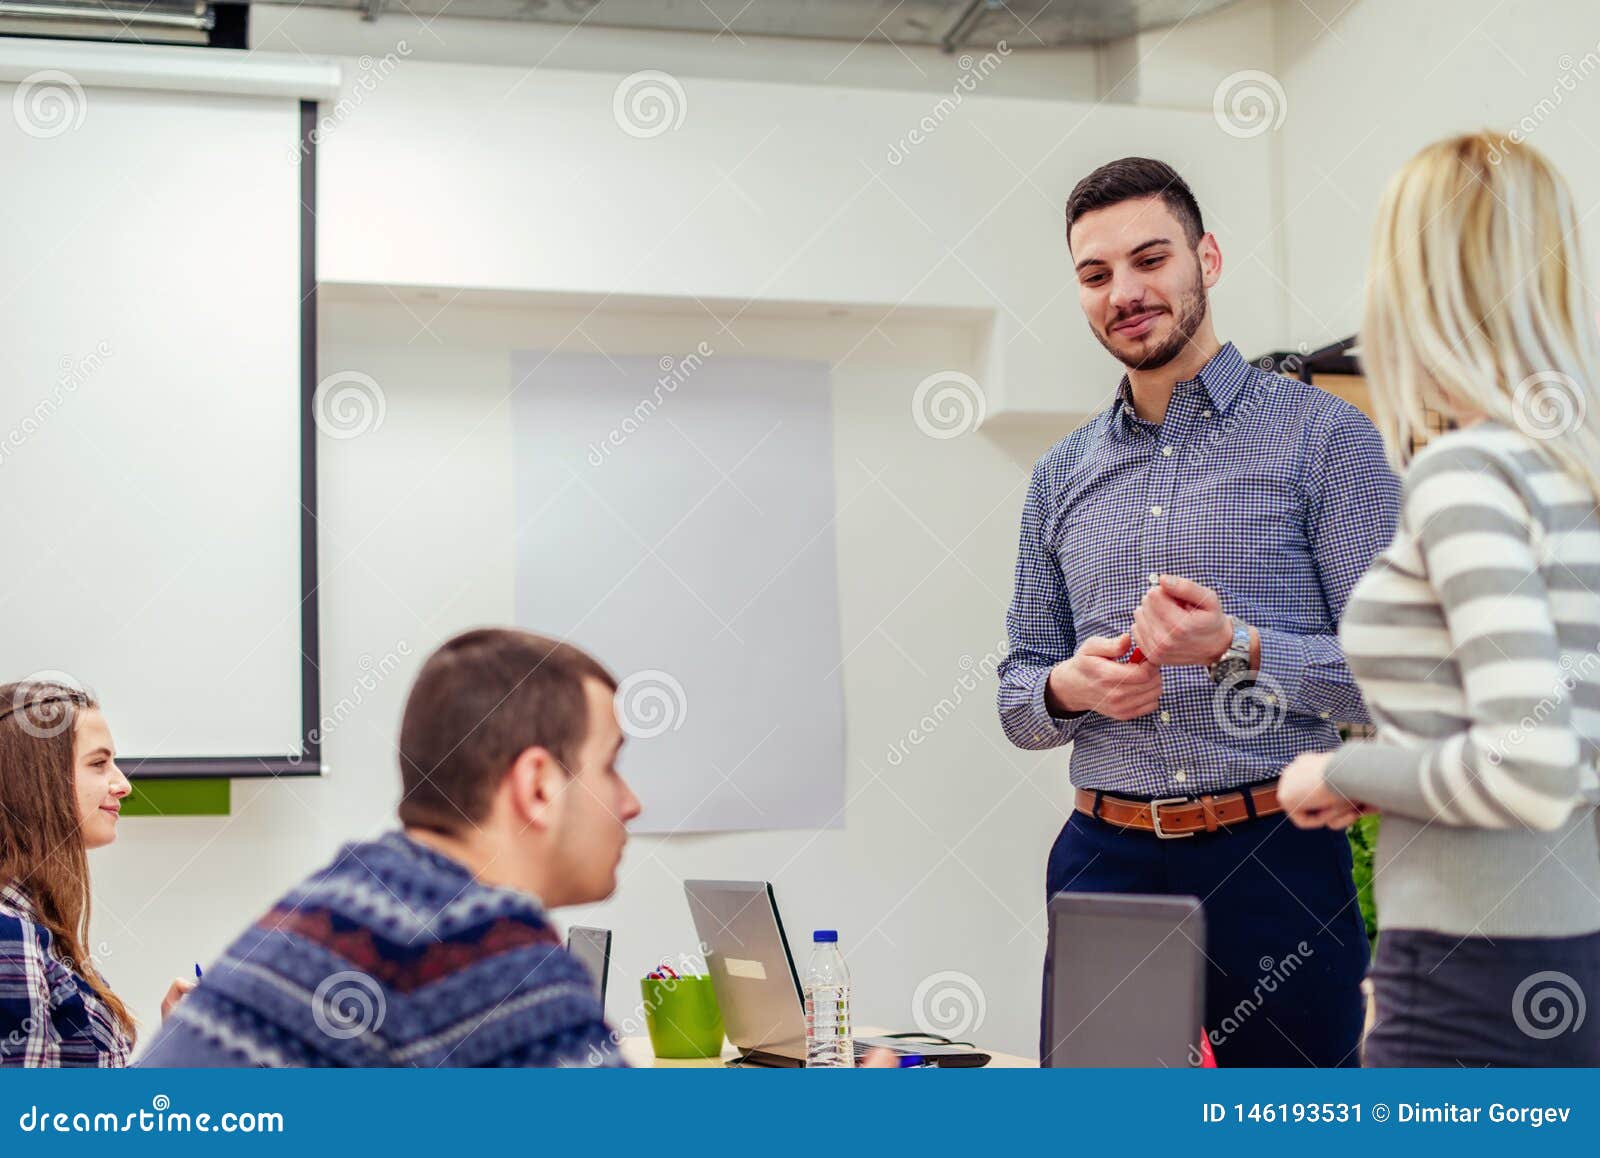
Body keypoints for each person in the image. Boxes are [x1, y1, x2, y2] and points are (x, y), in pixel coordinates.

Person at [998, 156, 1400, 1067]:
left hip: (1276, 861)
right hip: (1107, 860)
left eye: (1151, 260)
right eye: (1096, 276)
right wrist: (1067, 688)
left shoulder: (1324, 437)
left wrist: (1239, 646)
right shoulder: (1060, 476)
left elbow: (1395, 681)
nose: (1125, 293)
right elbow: (1017, 692)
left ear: (1206, 259)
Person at [1278, 132, 1600, 1066]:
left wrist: (1340, 776)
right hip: (1567, 962)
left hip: (1466, 979)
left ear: (1412, 283)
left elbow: (1524, 767)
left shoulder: (1465, 475)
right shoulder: (1572, 476)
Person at [139, 628, 642, 1067]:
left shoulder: (338, 900)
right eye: (611, 767)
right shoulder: (485, 953)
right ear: (539, 785)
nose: (631, 802)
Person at [0, 680, 192, 1066]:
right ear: (35, 781)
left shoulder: (36, 927)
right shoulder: (11, 938)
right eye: (98, 763)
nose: (123, 785)